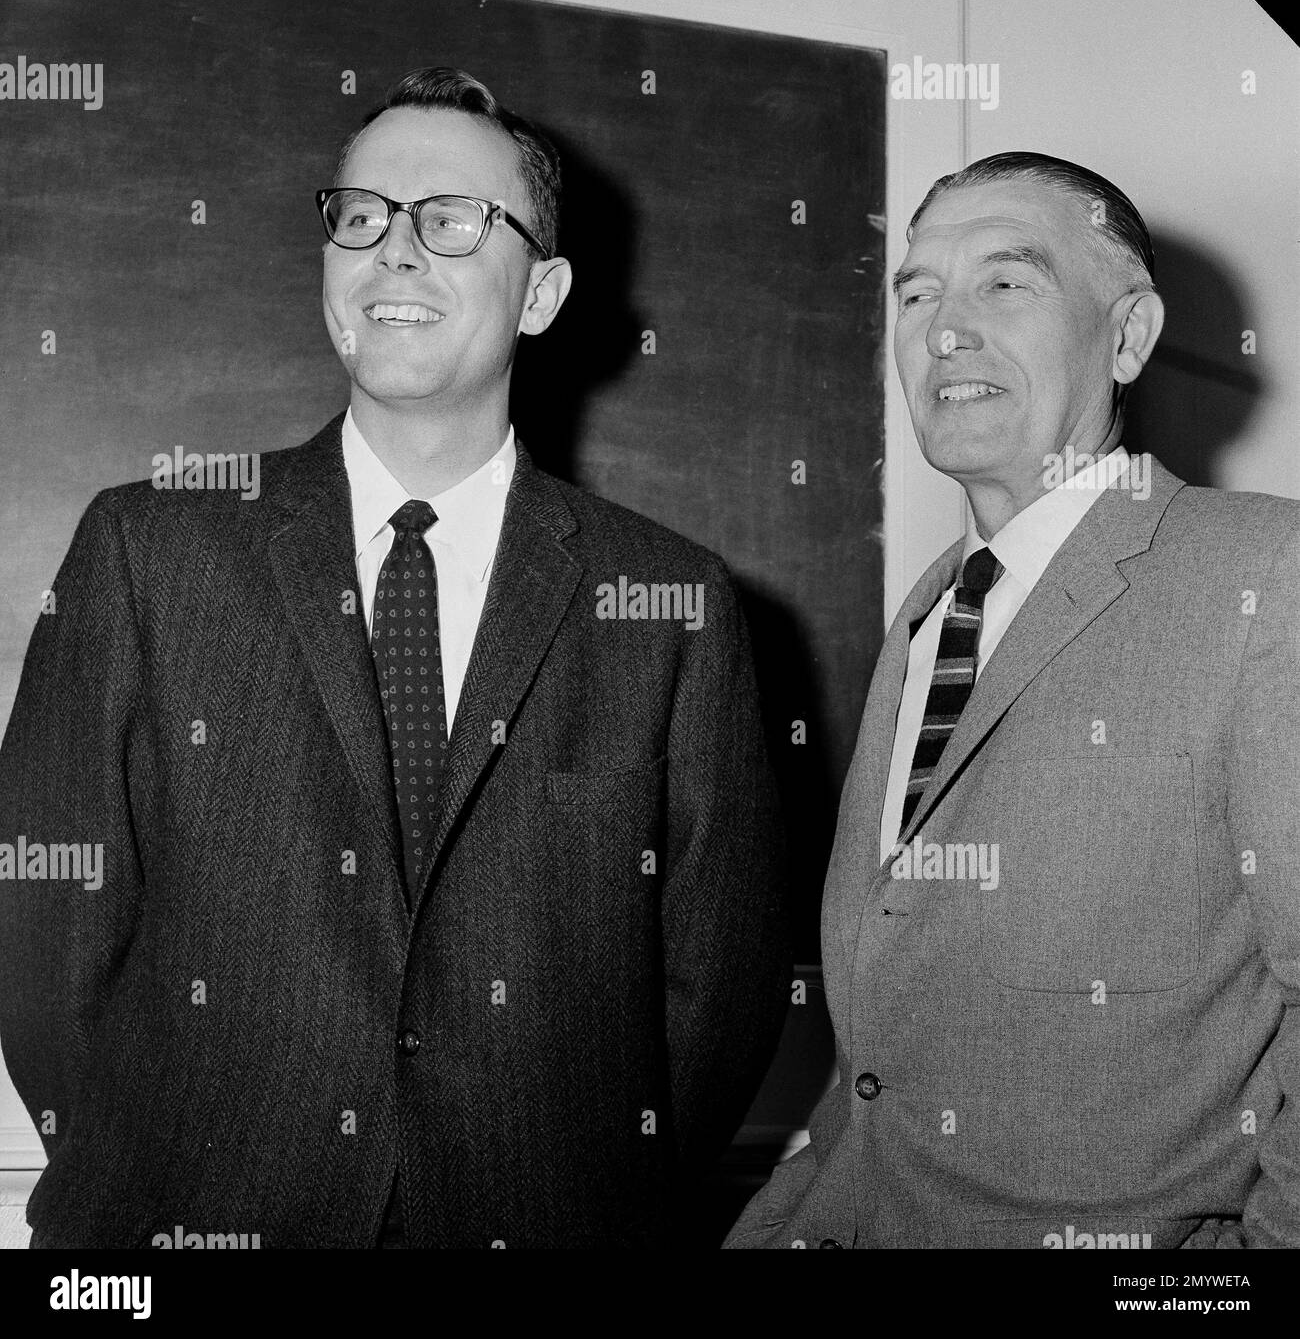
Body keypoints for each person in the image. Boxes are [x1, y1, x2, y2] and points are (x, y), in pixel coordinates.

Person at [0, 67, 788, 1249]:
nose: (392, 252)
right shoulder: (148, 548)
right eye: (360, 216)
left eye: (452, 220)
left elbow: (713, 998)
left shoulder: (672, 606)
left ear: (543, 293)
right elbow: (45, 929)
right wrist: (156, 1168)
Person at [726, 151, 1300, 1249]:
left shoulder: (1263, 573)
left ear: (1127, 336)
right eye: (915, 291)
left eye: (1004, 282)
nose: (944, 329)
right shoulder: (932, 613)